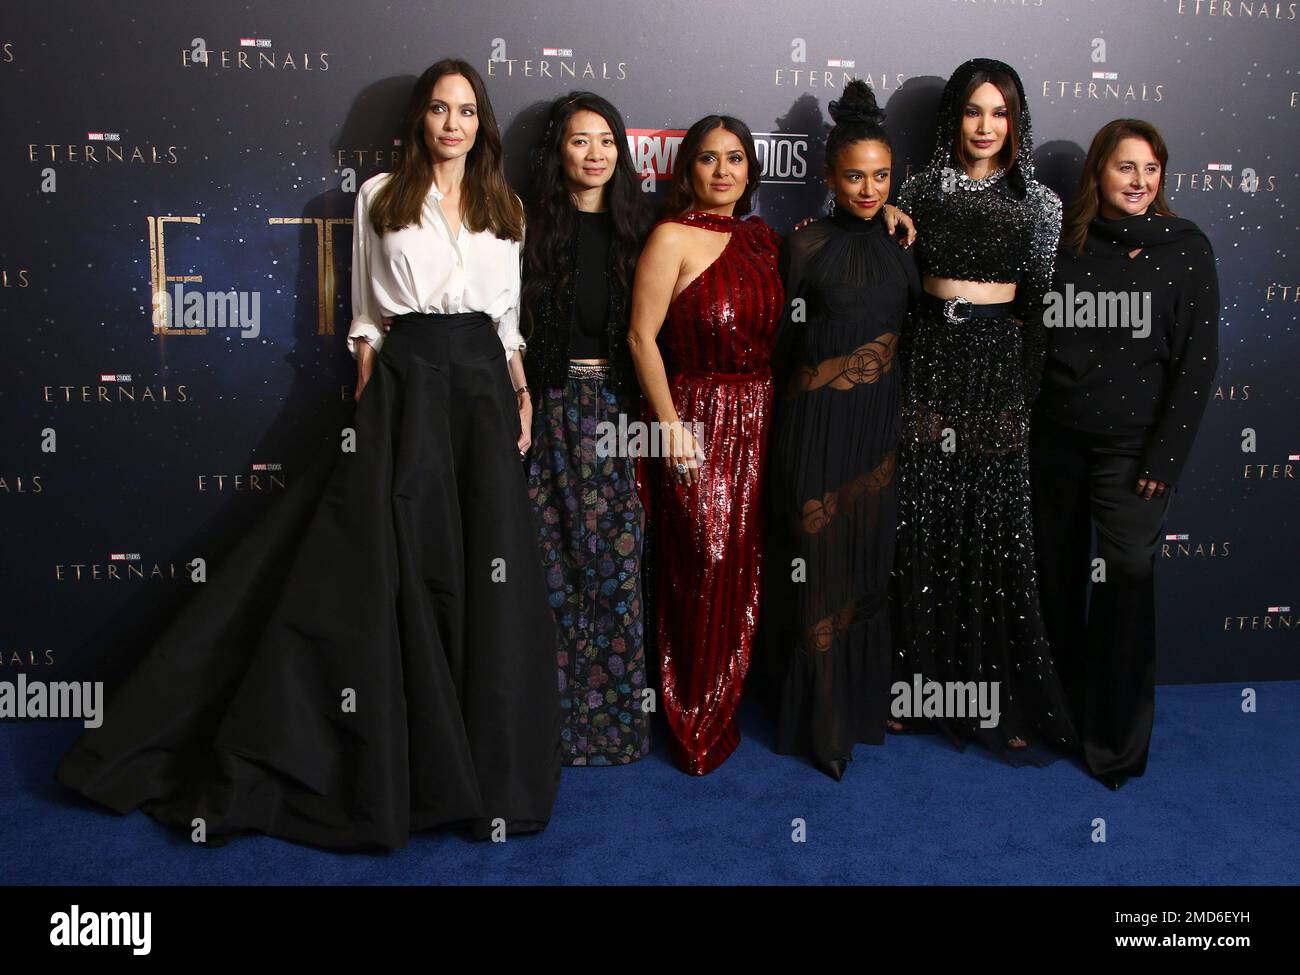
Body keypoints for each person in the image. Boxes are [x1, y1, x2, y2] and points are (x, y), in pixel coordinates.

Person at [55, 59, 562, 849]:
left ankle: (481, 767)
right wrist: (369, 389)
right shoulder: (378, 198)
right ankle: (397, 762)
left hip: (482, 396)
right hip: (406, 385)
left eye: (466, 110)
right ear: (420, 120)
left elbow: (507, 320)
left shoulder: (509, 206)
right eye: (439, 108)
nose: (452, 123)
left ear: (482, 123)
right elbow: (365, 314)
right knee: (389, 563)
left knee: (480, 564)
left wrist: (522, 392)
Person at [890, 58, 1076, 761]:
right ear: (953, 118)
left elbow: (1041, 310)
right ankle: (916, 685)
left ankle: (1001, 696)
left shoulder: (1042, 203)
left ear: (1017, 121)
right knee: (923, 521)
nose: (986, 127)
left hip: (998, 365)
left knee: (993, 534)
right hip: (930, 357)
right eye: (974, 111)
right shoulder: (918, 190)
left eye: (1000, 113)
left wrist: (1024, 397)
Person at [1031, 119, 1219, 789]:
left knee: (1124, 591)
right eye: (1125, 167)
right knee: (1055, 585)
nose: (1140, 181)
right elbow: (1038, 342)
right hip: (1054, 442)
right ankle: (1058, 716)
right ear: (1098, 175)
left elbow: (1197, 365)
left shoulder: (1185, 249)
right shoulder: (1065, 245)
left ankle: (1113, 744)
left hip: (1132, 456)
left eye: (1151, 168)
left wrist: (1163, 462)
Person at [757, 80, 919, 780]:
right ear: (827, 177)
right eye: (854, 175)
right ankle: (823, 725)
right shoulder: (803, 247)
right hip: (815, 433)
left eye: (881, 176)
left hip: (878, 435)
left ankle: (856, 707)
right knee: (819, 575)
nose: (867, 188)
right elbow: (781, 351)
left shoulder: (904, 244)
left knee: (864, 567)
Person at [626, 115, 784, 775]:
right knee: (703, 560)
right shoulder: (671, 236)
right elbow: (641, 339)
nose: (724, 171)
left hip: (758, 414)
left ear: (751, 171)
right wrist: (669, 428)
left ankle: (723, 705)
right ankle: (690, 714)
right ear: (687, 170)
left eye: (736, 159)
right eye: (709, 160)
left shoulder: (763, 239)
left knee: (742, 565)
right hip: (695, 415)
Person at [519, 92, 653, 765]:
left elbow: (722, 226)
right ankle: (554, 728)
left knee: (616, 568)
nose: (595, 153)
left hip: (619, 413)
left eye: (606, 140)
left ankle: (617, 727)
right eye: (580, 140)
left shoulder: (644, 224)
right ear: (558, 151)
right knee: (551, 567)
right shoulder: (527, 223)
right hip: (548, 407)